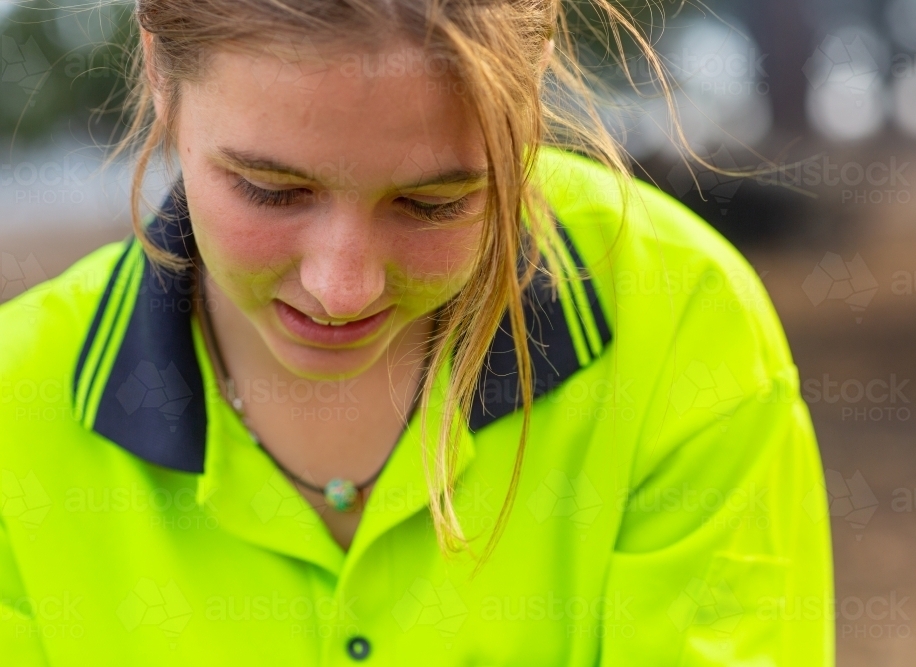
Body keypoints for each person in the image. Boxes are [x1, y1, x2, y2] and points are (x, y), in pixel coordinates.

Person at [0, 0, 834, 664]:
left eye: (432, 203)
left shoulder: (679, 324)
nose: (342, 288)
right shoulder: (17, 406)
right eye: (270, 190)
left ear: (532, 79)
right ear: (157, 67)